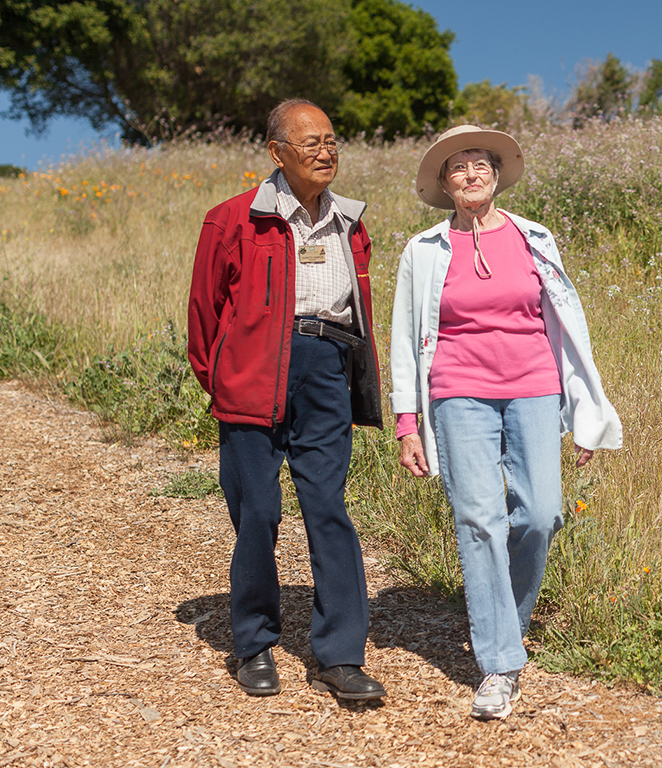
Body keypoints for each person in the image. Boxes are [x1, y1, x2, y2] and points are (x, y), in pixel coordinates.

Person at [389, 125, 623, 719]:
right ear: (444, 184)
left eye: (480, 165)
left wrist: (583, 412)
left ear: (496, 175)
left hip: (534, 388)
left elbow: (568, 327)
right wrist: (407, 421)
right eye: (457, 168)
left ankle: (506, 625)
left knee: (542, 512)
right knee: (479, 517)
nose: (470, 174)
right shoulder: (423, 250)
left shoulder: (534, 237)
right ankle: (499, 662)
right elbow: (402, 338)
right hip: (458, 391)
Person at [187, 99, 386, 700]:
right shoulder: (232, 220)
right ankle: (253, 643)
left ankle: (341, 655)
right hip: (252, 375)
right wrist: (221, 378)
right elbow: (203, 315)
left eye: (332, 141)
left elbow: (359, 310)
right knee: (259, 513)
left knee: (329, 508)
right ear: (277, 154)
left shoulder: (351, 224)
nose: (326, 152)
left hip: (326, 368)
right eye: (311, 143)